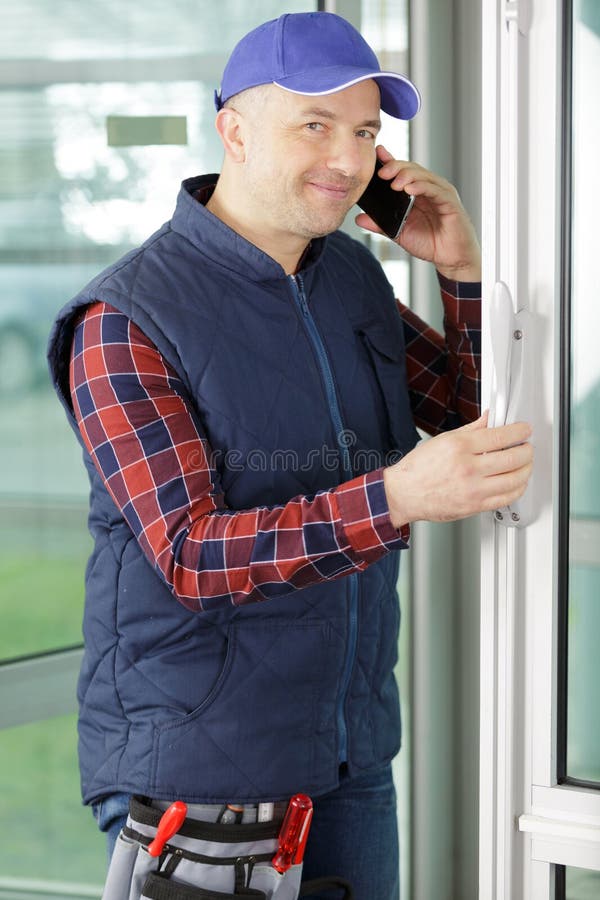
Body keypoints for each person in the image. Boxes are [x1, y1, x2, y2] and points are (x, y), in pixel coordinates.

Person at [47, 11, 533, 899]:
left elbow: (475, 421)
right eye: (315, 125)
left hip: (349, 755)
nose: (347, 160)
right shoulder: (123, 321)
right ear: (233, 130)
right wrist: (393, 498)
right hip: (200, 773)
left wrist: (459, 268)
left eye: (365, 133)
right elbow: (190, 554)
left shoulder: (348, 275)